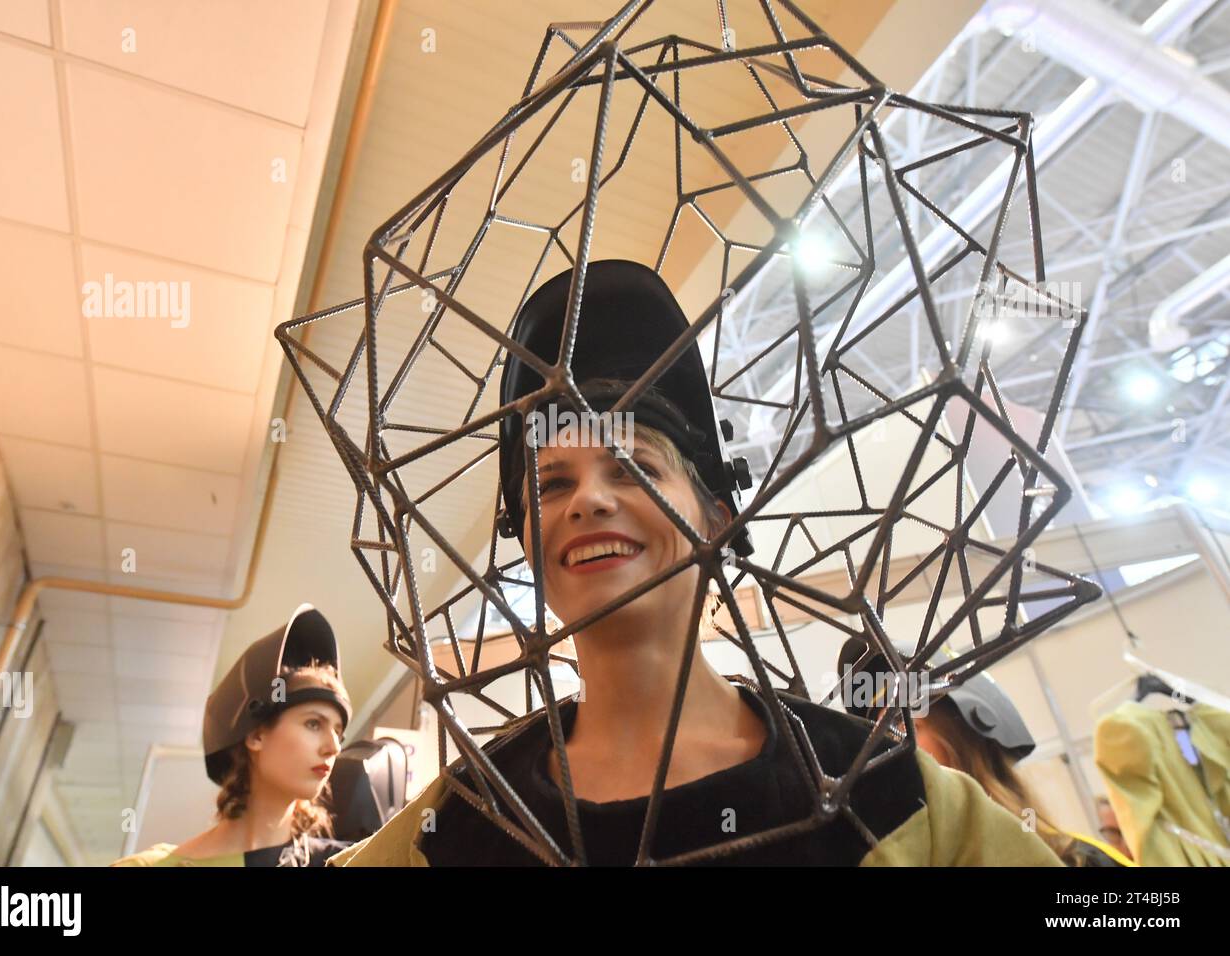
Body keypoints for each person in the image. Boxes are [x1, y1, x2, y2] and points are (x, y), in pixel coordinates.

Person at [330, 260, 1064, 866]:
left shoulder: (890, 798)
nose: (588, 500)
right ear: (526, 537)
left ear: (718, 517)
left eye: (633, 468)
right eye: (551, 485)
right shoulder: (462, 823)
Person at [837, 638, 1134, 867]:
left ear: (963, 732)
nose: (891, 752)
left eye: (905, 726)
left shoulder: (1081, 860)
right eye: (881, 741)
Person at [113, 604, 353, 867]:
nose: (334, 747)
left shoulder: (344, 862)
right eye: (313, 724)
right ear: (256, 735)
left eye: (338, 732)